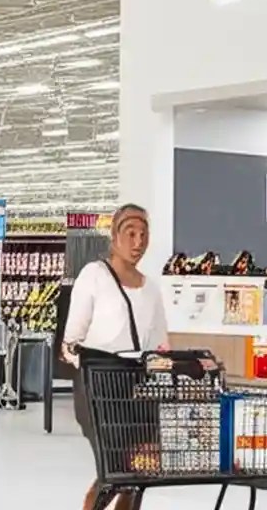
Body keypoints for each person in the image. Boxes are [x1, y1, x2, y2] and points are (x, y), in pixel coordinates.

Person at [62, 203, 169, 510]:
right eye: (130, 233)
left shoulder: (151, 290)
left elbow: (160, 343)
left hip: (138, 391)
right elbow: (71, 340)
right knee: (113, 470)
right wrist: (84, 359)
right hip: (100, 390)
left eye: (143, 235)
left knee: (139, 472)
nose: (138, 243)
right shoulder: (93, 276)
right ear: (114, 236)